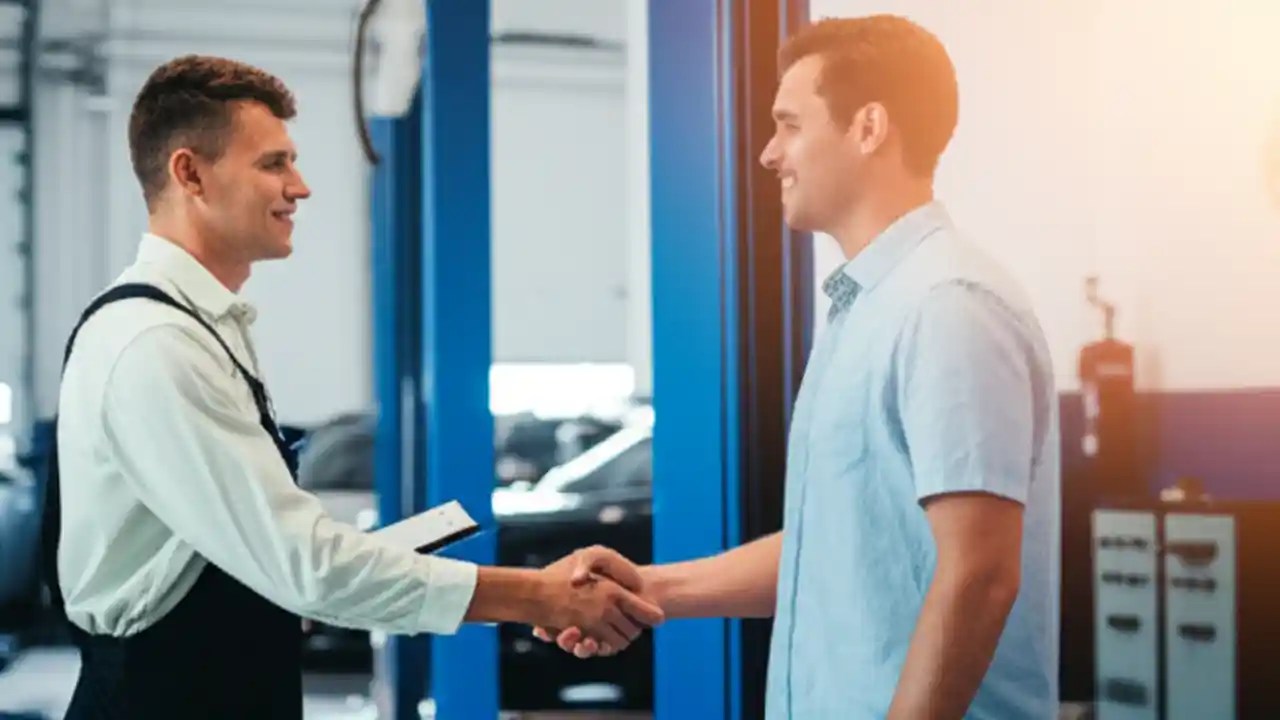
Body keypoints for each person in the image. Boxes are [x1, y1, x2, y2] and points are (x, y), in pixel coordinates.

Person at [44, 55, 661, 719]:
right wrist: (540, 596)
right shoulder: (156, 347)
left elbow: (248, 551)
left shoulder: (199, 330)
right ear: (190, 172)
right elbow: (303, 564)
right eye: (273, 163)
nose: (300, 186)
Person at [537, 14, 1060, 719]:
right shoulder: (867, 308)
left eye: (789, 124)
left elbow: (979, 572)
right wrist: (651, 589)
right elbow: (838, 543)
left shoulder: (947, 305)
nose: (767, 153)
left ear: (868, 128)